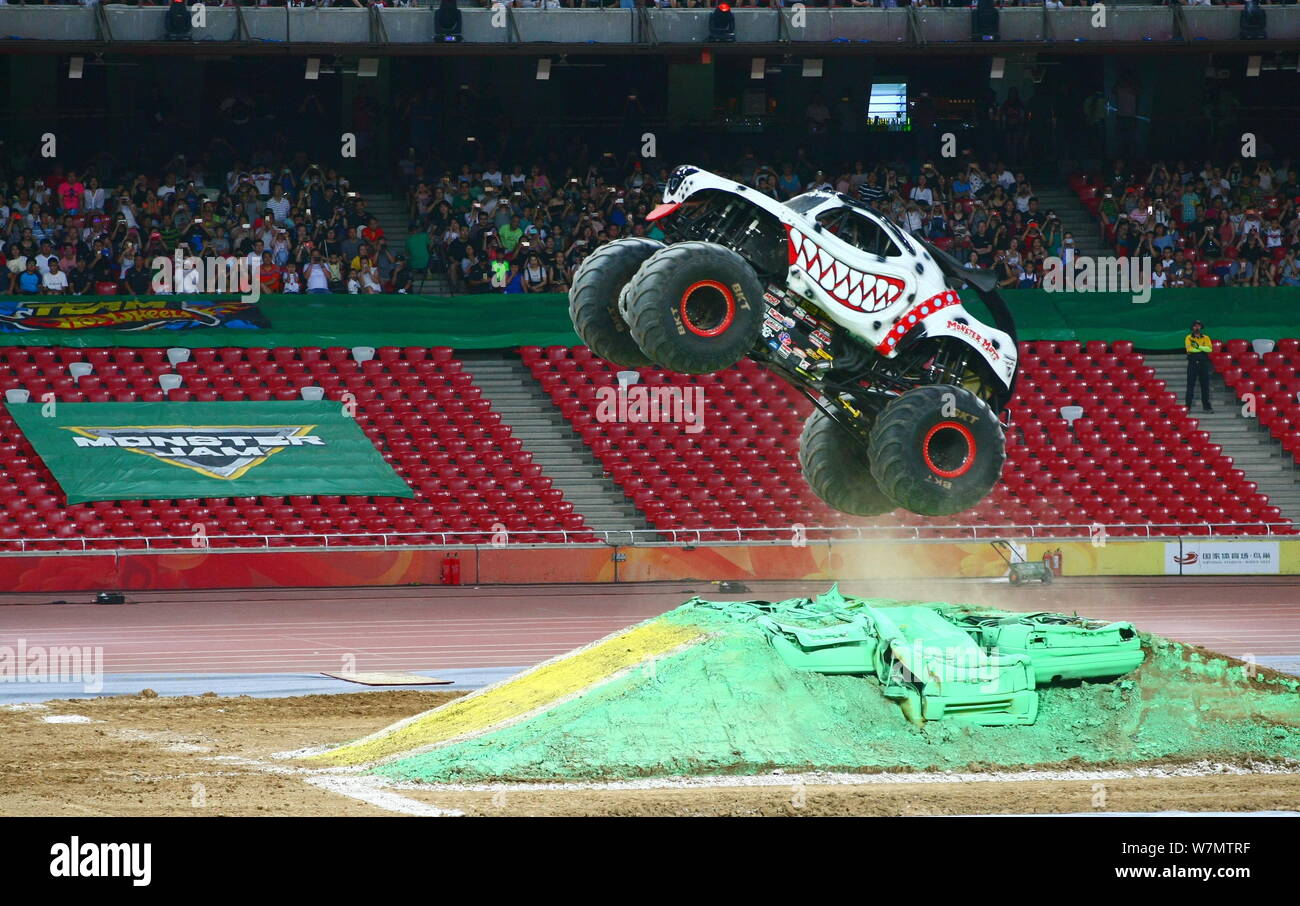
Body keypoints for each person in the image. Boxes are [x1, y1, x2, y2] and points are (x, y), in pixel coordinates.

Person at [1184, 320, 1213, 414]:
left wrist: (1197, 347)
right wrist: (1201, 348)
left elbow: (1209, 349)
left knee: (1205, 386)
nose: (1197, 327)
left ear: (1201, 327)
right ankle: (1187, 407)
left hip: (1204, 363)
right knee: (1190, 385)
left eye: (1198, 326)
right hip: (1192, 363)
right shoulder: (1188, 337)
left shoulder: (1206, 337)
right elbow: (1189, 349)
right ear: (1192, 327)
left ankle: (1207, 407)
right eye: (1195, 326)